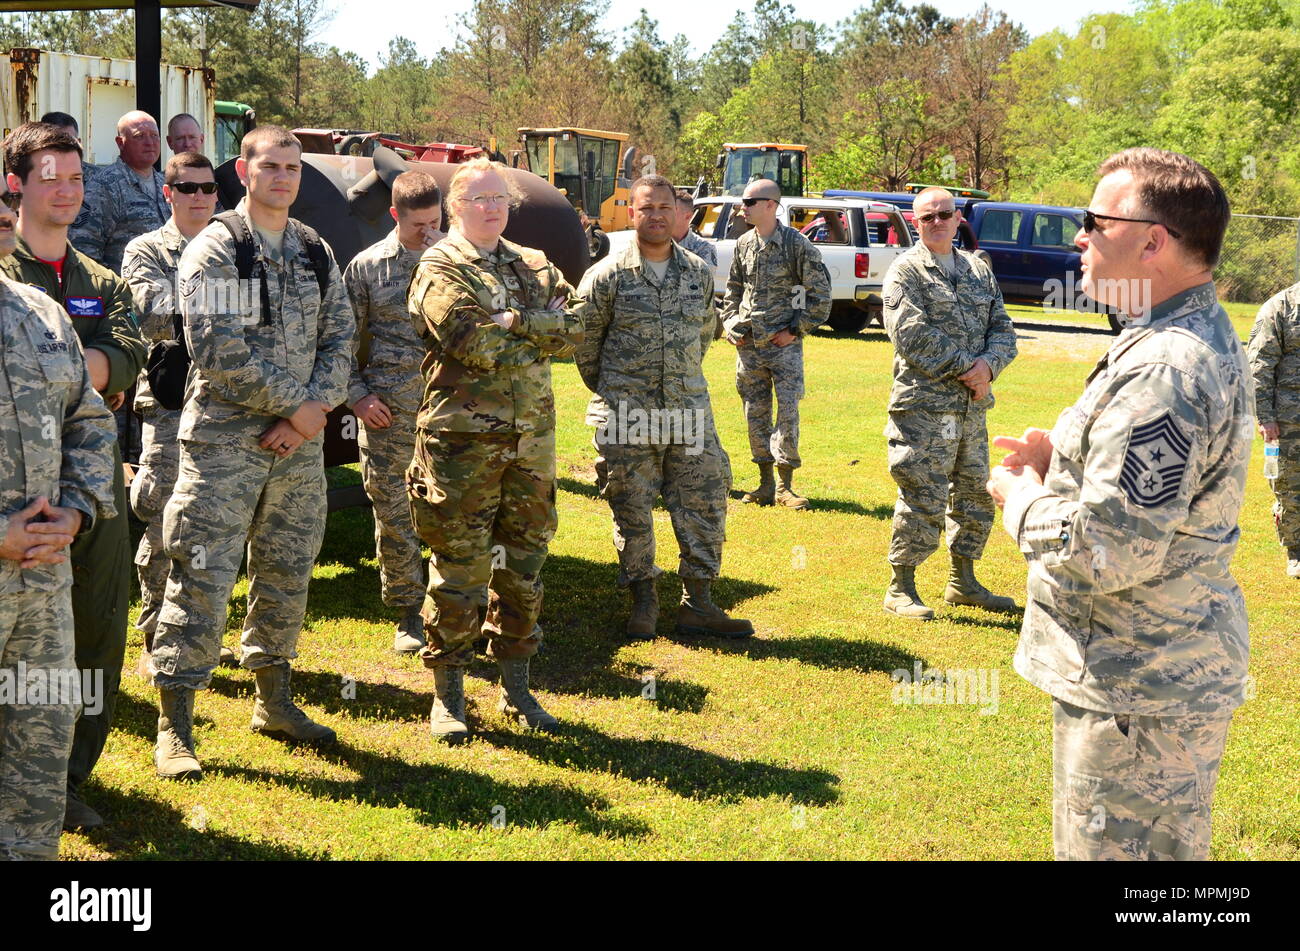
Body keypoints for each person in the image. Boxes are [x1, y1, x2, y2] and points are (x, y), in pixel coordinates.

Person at [988, 148, 1251, 861]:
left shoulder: (1167, 364)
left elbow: (1109, 549)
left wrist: (1022, 500)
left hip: (1137, 688)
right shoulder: (1171, 339)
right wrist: (1060, 462)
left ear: (1152, 240)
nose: (1078, 237)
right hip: (1146, 682)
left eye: (1093, 220)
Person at [149, 125, 354, 779]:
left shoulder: (314, 249)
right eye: (272, 165)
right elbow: (215, 346)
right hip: (223, 447)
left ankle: (275, 703)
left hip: (296, 449)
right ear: (244, 169)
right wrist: (296, 405)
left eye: (293, 167)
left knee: (288, 573)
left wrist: (310, 414)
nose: (285, 177)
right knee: (201, 579)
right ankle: (174, 725)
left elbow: (342, 335)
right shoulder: (217, 247)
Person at [1, 123, 147, 831]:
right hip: (20, 493)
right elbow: (98, 368)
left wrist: (78, 372)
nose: (67, 189)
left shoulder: (100, 280)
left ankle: (63, 773)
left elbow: (126, 354)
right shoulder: (8, 271)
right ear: (17, 184)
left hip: (89, 493)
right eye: (51, 175)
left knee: (92, 630)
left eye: (77, 178)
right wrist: (81, 370)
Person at [406, 157, 582, 743]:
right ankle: (449, 693)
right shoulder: (439, 266)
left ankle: (516, 687)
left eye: (498, 199)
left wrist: (512, 320)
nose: (490, 208)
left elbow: (578, 328)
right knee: (460, 574)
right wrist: (533, 330)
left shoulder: (531, 262)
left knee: (524, 568)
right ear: (454, 207)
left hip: (530, 448)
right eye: (477, 199)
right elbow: (471, 343)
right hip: (461, 451)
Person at [573, 175, 751, 641]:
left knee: (706, 500)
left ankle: (699, 601)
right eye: (646, 208)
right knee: (632, 509)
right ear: (631, 213)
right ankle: (644, 599)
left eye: (664, 208)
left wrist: (677, 384)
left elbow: (703, 337)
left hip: (688, 413)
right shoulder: (606, 276)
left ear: (678, 213)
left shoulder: (696, 271)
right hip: (627, 414)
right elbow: (585, 347)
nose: (655, 216)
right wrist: (619, 391)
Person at [879, 186, 1019, 620]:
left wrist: (989, 367)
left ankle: (963, 582)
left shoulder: (978, 270)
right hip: (924, 407)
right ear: (915, 223)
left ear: (959, 219)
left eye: (945, 214)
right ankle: (900, 587)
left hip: (971, 410)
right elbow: (912, 334)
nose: (937, 222)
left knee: (975, 495)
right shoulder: (905, 272)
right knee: (923, 493)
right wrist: (970, 370)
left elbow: (1004, 329)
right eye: (927, 217)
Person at [121, 152, 236, 675]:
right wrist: (221, 304)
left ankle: (202, 630)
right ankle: (155, 634)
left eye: (207, 188)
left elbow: (255, 316)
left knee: (218, 524)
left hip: (230, 403)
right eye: (186, 187)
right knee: (163, 518)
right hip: (170, 406)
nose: (198, 196)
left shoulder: (234, 247)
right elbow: (155, 315)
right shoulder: (145, 249)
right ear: (167, 193)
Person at [344, 170, 445, 654]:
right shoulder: (367, 268)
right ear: (394, 216)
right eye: (418, 224)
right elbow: (339, 342)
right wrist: (358, 396)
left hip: (453, 411)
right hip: (390, 412)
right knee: (394, 512)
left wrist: (450, 256)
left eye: (435, 221)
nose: (428, 232)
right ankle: (407, 610)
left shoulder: (460, 260)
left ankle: (458, 606)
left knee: (459, 512)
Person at [720, 178, 830, 509]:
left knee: (787, 414)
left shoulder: (797, 245)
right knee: (755, 412)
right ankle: (765, 483)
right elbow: (733, 290)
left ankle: (785, 486)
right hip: (749, 346)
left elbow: (821, 296)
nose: (743, 207)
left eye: (749, 201)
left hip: (783, 347)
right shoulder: (743, 244)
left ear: (770, 205)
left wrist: (796, 331)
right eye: (743, 202)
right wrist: (729, 324)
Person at [70, 110, 167, 274]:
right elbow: (84, 248)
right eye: (139, 136)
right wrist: (112, 289)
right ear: (120, 142)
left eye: (154, 135)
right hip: (126, 293)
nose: (149, 142)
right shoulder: (104, 186)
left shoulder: (166, 184)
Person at [1247, 281, 1300, 577]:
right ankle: (1296, 552)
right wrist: (1265, 416)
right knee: (1290, 487)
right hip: (1290, 421)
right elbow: (1259, 364)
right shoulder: (1280, 307)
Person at [38, 112, 97, 191]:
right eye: (55, 141)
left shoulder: (98, 177)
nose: (63, 147)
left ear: (79, 143)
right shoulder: (32, 176)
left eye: (69, 141)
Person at [673, 188, 716, 268]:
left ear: (688, 216)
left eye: (673, 210)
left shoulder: (704, 248)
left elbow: (705, 279)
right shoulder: (655, 244)